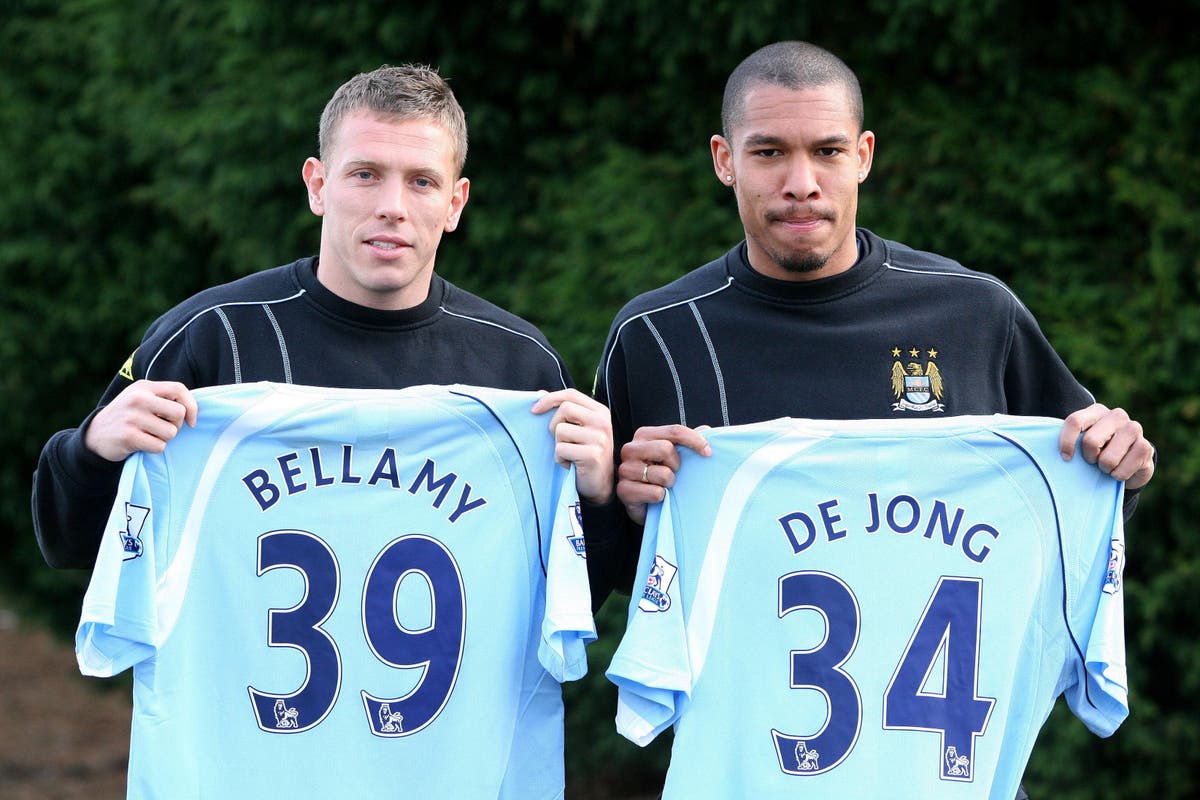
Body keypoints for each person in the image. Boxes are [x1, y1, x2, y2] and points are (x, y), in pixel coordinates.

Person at [592, 41, 1155, 798]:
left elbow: (1077, 515)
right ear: (725, 159)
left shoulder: (973, 313)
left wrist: (1121, 469)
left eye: (826, 151)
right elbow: (614, 579)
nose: (801, 183)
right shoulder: (657, 335)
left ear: (863, 155)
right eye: (769, 153)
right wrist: (624, 507)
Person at [32, 63, 614, 572]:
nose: (392, 206)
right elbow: (68, 544)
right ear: (317, 185)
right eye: (365, 174)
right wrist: (89, 451)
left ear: (455, 202)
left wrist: (596, 496)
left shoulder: (518, 363)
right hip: (241, 702)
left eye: (422, 182)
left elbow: (568, 600)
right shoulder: (212, 337)